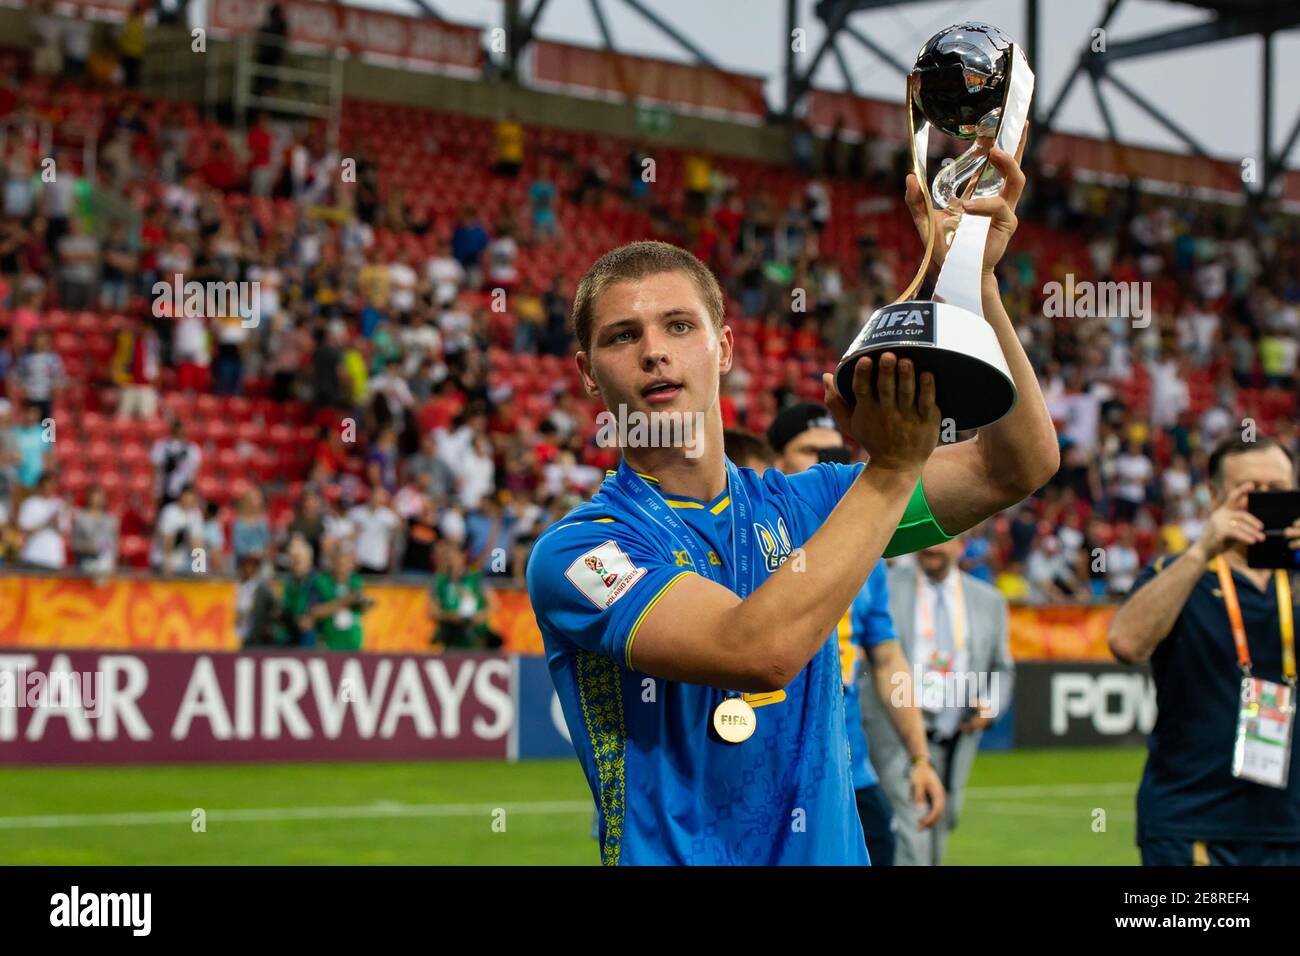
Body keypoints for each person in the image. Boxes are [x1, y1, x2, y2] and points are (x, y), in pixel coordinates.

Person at [525, 143, 1057, 866]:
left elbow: (1016, 465)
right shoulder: (580, 552)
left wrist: (975, 283)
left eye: (680, 326)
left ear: (726, 347)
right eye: (625, 336)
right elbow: (756, 652)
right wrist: (892, 467)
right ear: (588, 373)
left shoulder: (813, 501)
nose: (655, 352)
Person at [763, 403, 944, 867]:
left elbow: (887, 660)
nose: (827, 462)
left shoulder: (869, 559)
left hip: (851, 778)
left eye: (836, 453)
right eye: (810, 452)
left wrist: (920, 758)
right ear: (777, 464)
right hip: (768, 780)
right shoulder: (753, 545)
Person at [1109, 433, 1300, 866]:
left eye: (1280, 489)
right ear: (1215, 496)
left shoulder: (1296, 578)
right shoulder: (1173, 572)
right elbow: (1126, 644)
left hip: (1289, 824)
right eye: (1252, 491)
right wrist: (1201, 551)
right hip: (1191, 822)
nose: (1268, 501)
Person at [861, 534, 1014, 866]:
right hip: (896, 734)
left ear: (963, 545)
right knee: (910, 825)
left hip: (955, 736)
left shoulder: (989, 600)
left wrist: (989, 706)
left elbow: (1002, 668)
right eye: (929, 538)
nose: (933, 547)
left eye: (947, 538)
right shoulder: (886, 584)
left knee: (944, 821)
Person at [429, 541, 498, 649]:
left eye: (452, 554)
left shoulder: (476, 578)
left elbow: (494, 604)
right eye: (447, 555)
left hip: (476, 636)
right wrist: (450, 616)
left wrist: (479, 616)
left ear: (463, 555)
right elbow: (432, 611)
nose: (449, 559)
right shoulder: (440, 581)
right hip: (450, 637)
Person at [308, 546, 372, 651]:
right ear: (332, 563)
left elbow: (361, 610)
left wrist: (365, 604)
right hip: (329, 644)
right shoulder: (321, 582)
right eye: (339, 564)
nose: (342, 569)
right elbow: (315, 612)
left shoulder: (356, 582)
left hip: (353, 643)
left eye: (346, 564)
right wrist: (344, 601)